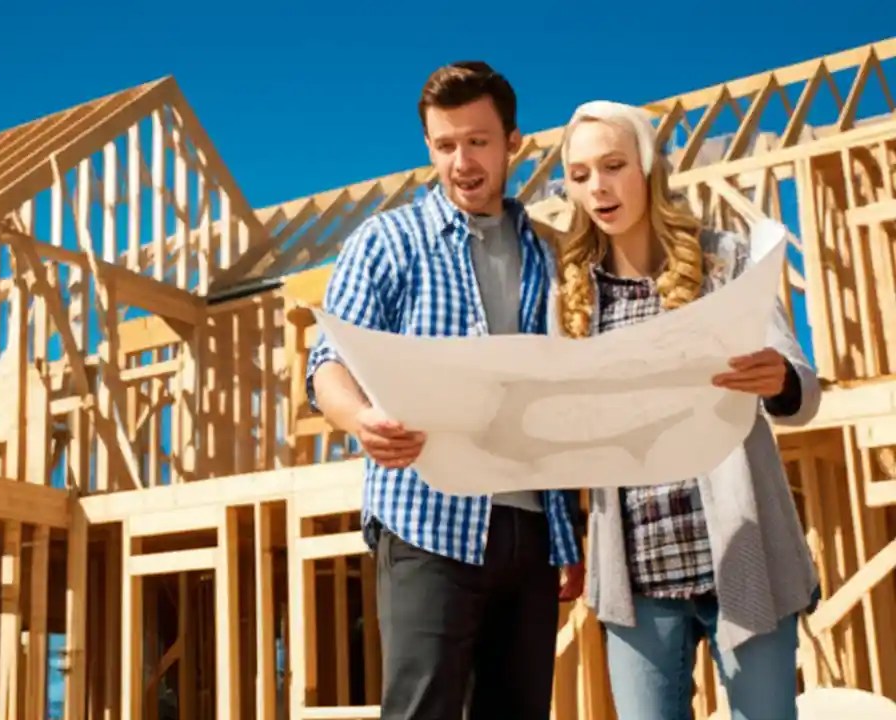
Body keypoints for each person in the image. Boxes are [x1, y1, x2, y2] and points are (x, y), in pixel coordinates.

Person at [305, 60, 584, 720]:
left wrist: (569, 532)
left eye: (478, 141)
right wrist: (360, 418)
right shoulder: (385, 242)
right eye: (445, 144)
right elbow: (328, 363)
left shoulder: (551, 256)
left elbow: (569, 393)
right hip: (427, 520)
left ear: (514, 142)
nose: (462, 161)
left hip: (532, 529)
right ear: (428, 145)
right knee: (423, 709)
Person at [554, 99, 822, 720]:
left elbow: (801, 392)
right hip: (638, 575)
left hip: (741, 555)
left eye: (614, 165)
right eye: (580, 174)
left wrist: (778, 378)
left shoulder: (723, 261)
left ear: (647, 167)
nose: (598, 186)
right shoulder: (570, 295)